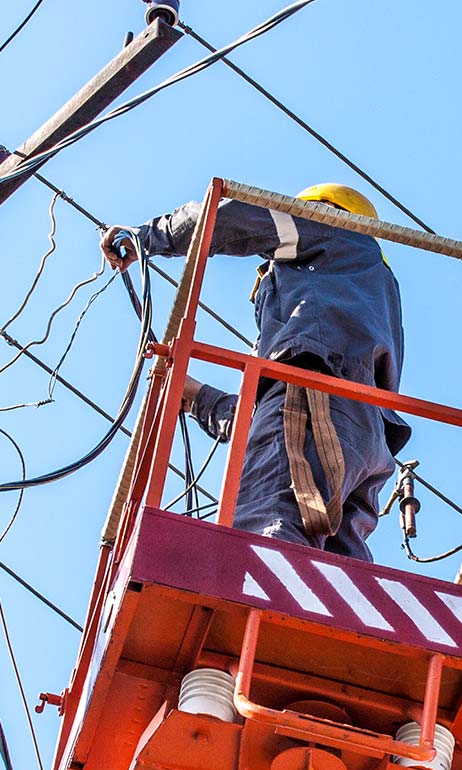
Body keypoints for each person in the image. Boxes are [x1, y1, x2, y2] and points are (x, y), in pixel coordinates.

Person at [100, 183, 410, 562]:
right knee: (338, 576)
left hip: (314, 402)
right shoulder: (369, 299)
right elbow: (263, 419)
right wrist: (199, 398)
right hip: (367, 447)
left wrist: (145, 237)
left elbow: (231, 217)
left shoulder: (332, 227)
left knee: (268, 539)